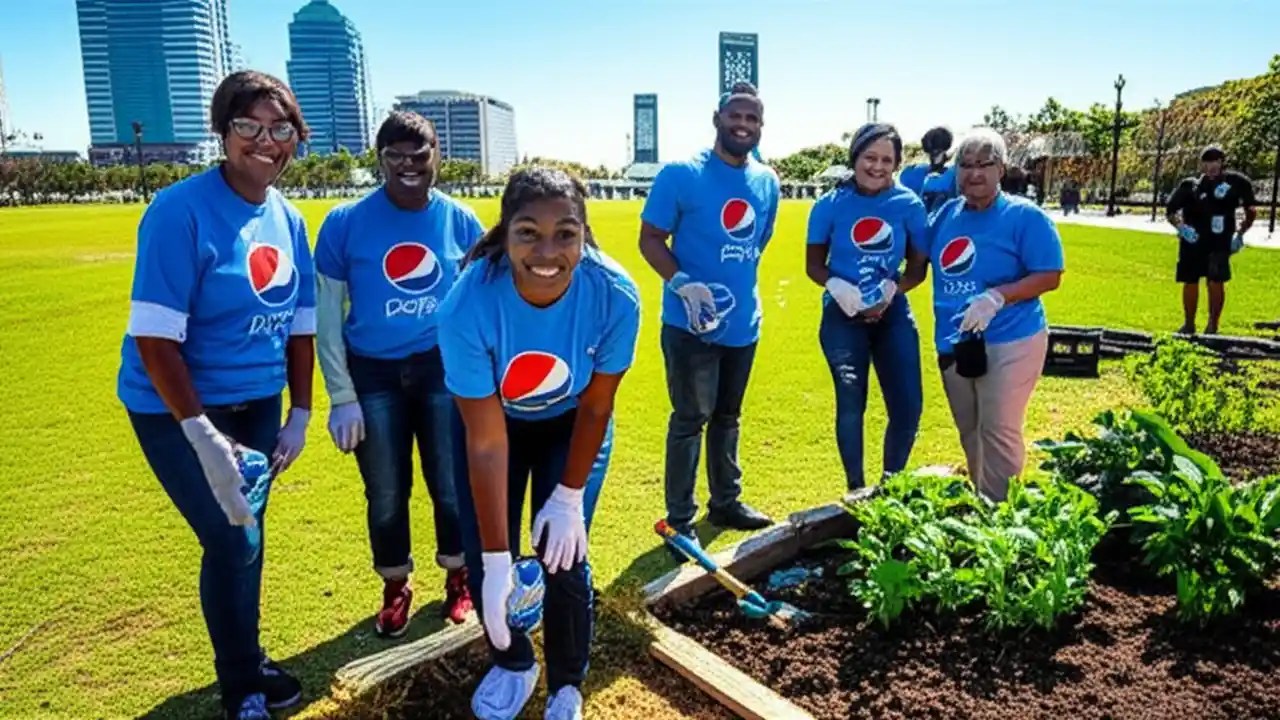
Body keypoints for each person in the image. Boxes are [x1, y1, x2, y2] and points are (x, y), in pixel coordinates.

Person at [116, 70, 314, 720]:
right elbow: (155, 340)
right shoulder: (179, 211)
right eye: (249, 127)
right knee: (233, 537)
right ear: (223, 132)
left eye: (280, 129)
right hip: (176, 410)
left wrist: (301, 410)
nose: (266, 141)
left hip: (254, 403)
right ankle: (240, 684)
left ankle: (247, 655)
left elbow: (300, 324)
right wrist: (200, 434)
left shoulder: (287, 218)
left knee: (245, 534)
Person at [437, 168, 641, 720]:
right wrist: (499, 559)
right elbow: (483, 441)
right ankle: (514, 662)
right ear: (505, 234)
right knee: (486, 560)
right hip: (492, 428)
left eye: (565, 234)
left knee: (563, 554)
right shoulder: (465, 306)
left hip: (571, 426)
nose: (547, 251)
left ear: (584, 234)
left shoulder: (616, 295)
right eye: (528, 232)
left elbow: (597, 405)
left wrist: (569, 496)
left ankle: (567, 683)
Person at [314, 111, 483, 638]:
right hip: (372, 375)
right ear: (379, 159)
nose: (409, 166)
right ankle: (396, 585)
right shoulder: (344, 222)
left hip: (442, 371)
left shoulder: (462, 221)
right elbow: (325, 316)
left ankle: (459, 579)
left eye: (420, 154)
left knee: (452, 484)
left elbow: (483, 305)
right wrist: (341, 395)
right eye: (396, 156)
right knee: (386, 489)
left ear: (438, 155)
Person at [638, 81, 781, 558]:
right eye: (735, 116)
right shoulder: (682, 173)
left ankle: (726, 503)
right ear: (717, 119)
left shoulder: (767, 181)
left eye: (752, 119)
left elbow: (758, 242)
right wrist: (684, 283)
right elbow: (651, 239)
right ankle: (680, 520)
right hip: (689, 324)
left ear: (761, 126)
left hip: (742, 324)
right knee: (689, 418)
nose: (743, 125)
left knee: (727, 416)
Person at [924, 127, 1065, 502]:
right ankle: (982, 501)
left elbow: (1050, 276)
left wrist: (999, 296)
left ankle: (1001, 517)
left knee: (998, 428)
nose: (973, 174)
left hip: (1011, 337)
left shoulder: (1025, 217)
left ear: (1001, 169)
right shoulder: (945, 216)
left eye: (984, 165)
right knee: (969, 428)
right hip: (957, 341)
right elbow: (915, 258)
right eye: (965, 165)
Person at [805, 123, 929, 491]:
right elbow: (813, 264)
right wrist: (838, 287)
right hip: (842, 316)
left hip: (892, 316)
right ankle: (856, 488)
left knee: (908, 406)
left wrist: (894, 288)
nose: (877, 166)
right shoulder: (829, 205)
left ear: (897, 164)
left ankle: (890, 487)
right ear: (855, 157)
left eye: (886, 160)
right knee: (850, 404)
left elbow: (919, 267)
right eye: (869, 157)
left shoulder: (908, 204)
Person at [1165, 145, 1257, 335]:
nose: (1212, 166)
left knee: (1215, 281)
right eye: (1207, 162)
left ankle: (1212, 325)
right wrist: (1182, 228)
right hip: (1193, 242)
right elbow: (1171, 211)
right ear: (1202, 165)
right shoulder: (1190, 186)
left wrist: (1241, 233)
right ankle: (1188, 324)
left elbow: (1250, 209)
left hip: (1219, 242)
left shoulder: (1236, 183)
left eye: (1216, 161)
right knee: (1190, 281)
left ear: (1222, 163)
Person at [898, 126, 958, 214]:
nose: (933, 156)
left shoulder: (955, 174)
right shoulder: (913, 173)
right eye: (931, 152)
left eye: (937, 151)